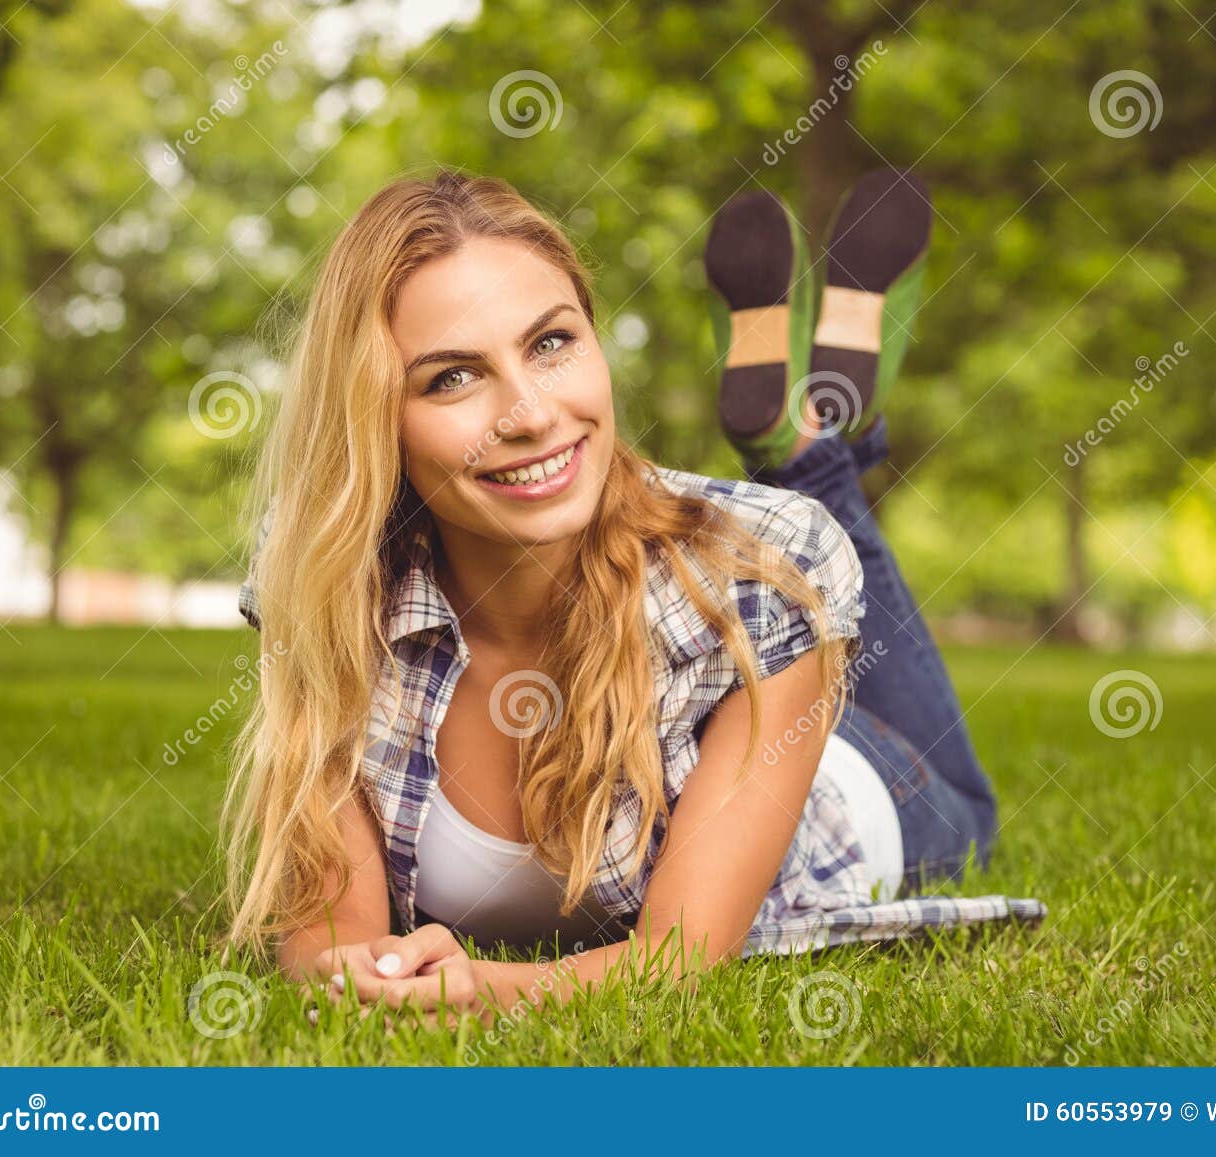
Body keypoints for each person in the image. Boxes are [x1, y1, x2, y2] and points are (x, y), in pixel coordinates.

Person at [223, 167, 1043, 1022]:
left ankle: (809, 446)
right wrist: (364, 977)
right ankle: (816, 420)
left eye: (550, 344)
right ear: (373, 418)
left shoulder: (758, 569)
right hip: (736, 651)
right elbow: (329, 930)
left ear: (594, 341)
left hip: (863, 782)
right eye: (452, 378)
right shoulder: (321, 576)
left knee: (966, 803)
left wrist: (486, 988)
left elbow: (677, 958)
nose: (531, 414)